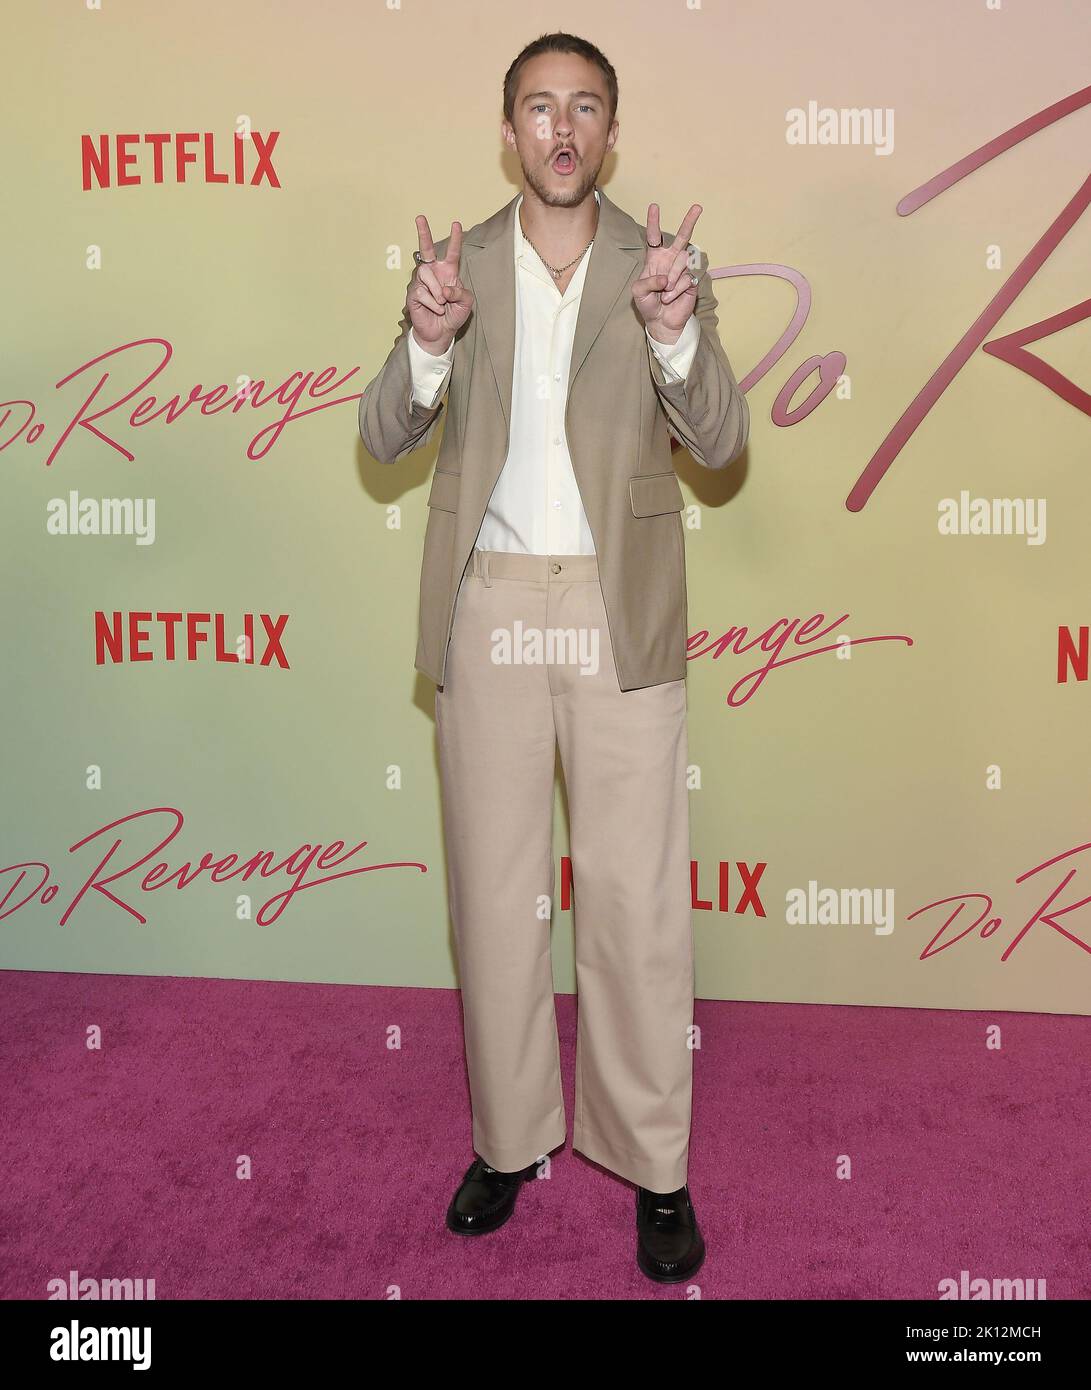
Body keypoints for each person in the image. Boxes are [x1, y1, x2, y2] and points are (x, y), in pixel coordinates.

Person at [359, 30, 749, 1283]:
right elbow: (381, 435)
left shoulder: (661, 266)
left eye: (584, 107)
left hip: (614, 604)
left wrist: (677, 336)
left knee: (635, 899)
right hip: (488, 602)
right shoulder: (454, 266)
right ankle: (507, 1139)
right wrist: (424, 342)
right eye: (539, 107)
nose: (562, 128)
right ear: (508, 131)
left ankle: (653, 1162)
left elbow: (722, 443)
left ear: (611, 133)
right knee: (493, 891)